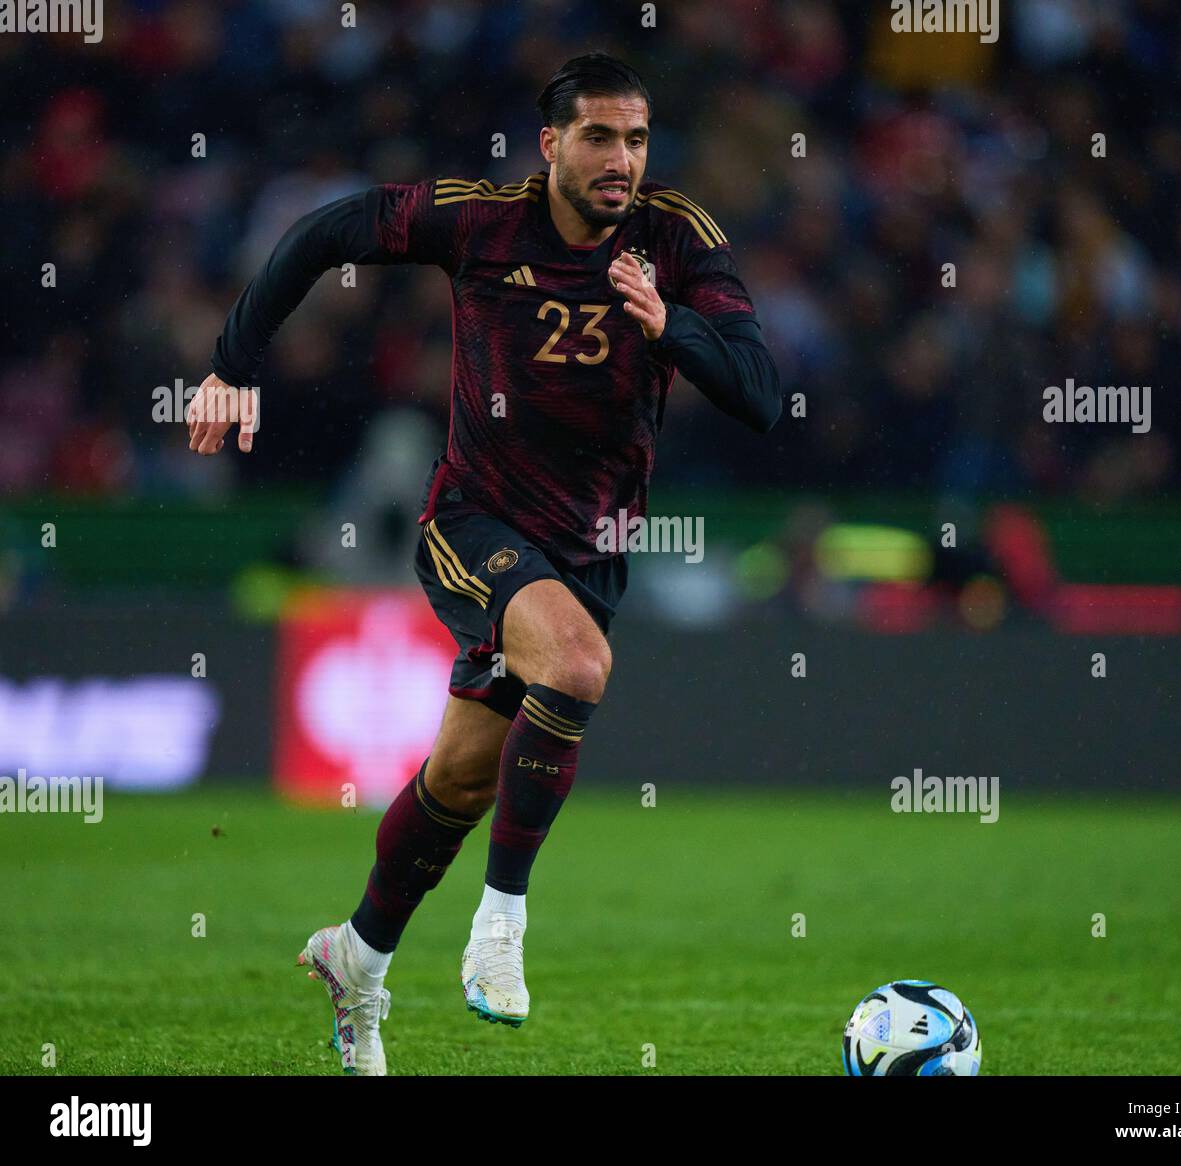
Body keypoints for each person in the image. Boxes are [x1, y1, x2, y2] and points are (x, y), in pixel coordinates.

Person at [188, 51, 780, 1074]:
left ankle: (356, 952)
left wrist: (669, 324)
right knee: (580, 666)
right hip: (474, 522)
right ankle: (498, 926)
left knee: (459, 779)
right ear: (551, 144)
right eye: (598, 136)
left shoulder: (673, 238)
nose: (620, 160)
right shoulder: (477, 220)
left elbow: (762, 395)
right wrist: (232, 363)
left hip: (590, 551)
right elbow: (324, 232)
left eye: (635, 139)